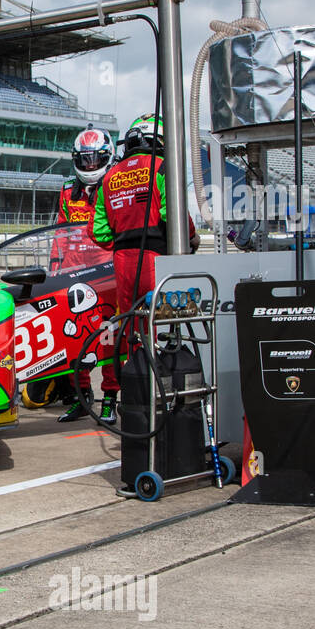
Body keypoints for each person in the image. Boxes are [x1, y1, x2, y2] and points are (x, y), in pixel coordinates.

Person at [91, 113, 198, 416]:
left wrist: (124, 237)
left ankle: (136, 401)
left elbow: (98, 232)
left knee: (132, 332)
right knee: (167, 327)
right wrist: (191, 237)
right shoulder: (162, 166)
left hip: (122, 264)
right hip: (156, 259)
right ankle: (167, 400)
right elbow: (173, 215)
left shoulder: (109, 176)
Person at [53, 126, 118, 423]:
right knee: (73, 338)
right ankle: (82, 397)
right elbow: (60, 233)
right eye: (85, 160)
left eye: (95, 159)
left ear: (107, 156)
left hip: (107, 275)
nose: (90, 166)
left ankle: (110, 399)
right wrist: (55, 270)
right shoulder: (68, 190)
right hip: (75, 274)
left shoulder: (115, 184)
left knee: (109, 338)